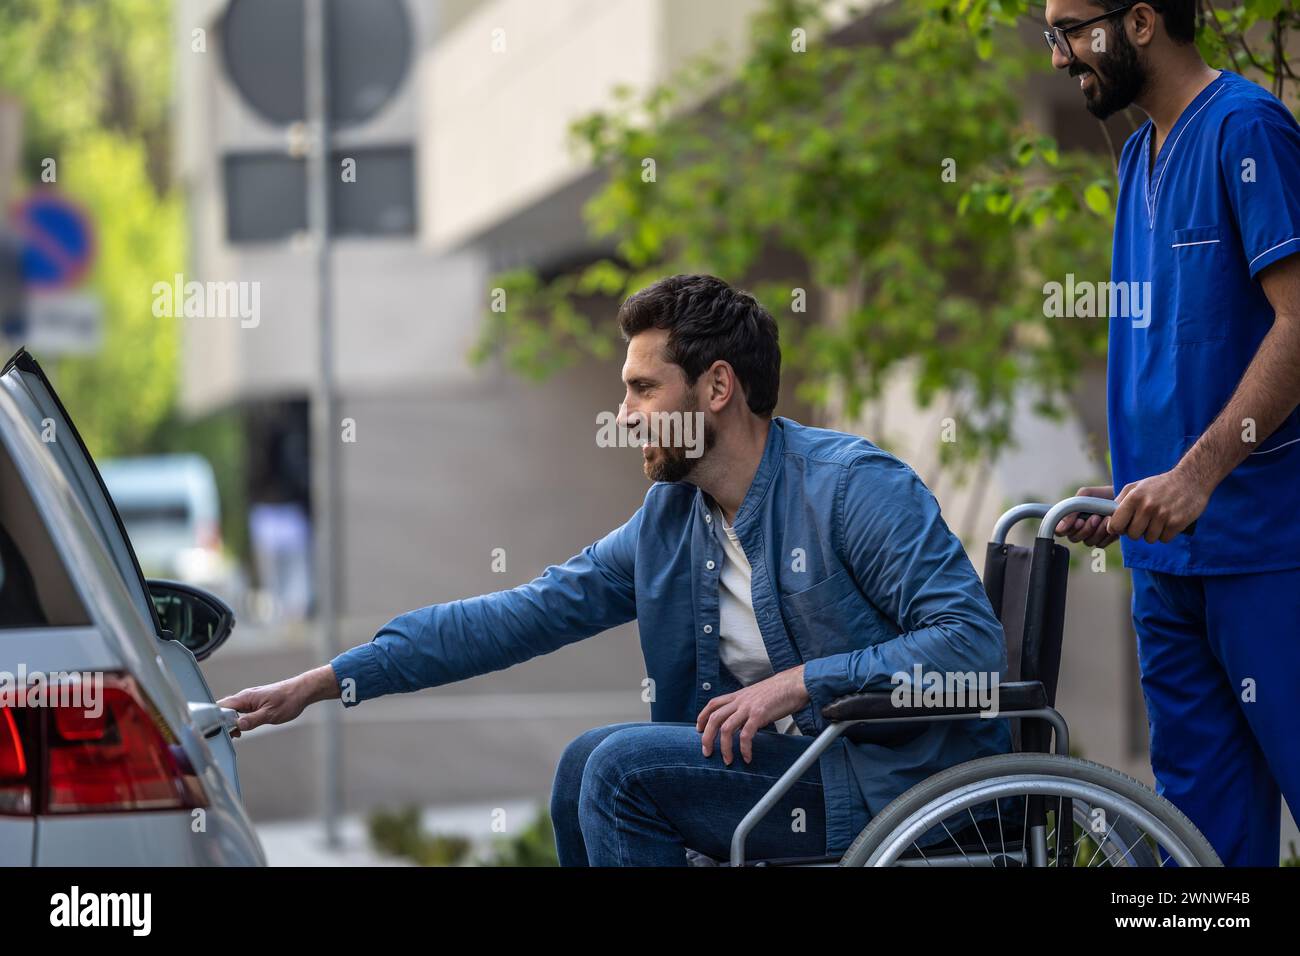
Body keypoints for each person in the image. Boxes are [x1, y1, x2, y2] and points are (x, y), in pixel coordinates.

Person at [218, 274, 1010, 865]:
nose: (624, 414)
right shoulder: (673, 522)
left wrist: (802, 683)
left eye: (641, 388)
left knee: (624, 771)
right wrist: (327, 680)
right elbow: (516, 617)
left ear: (717, 387)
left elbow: (971, 648)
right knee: (583, 766)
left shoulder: (850, 487)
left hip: (889, 787)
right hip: (783, 778)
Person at [1045, 0, 1300, 865]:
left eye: (1072, 30)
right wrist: (1129, 490)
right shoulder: (1135, 160)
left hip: (1268, 552)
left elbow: (1298, 321)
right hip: (1164, 562)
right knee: (1200, 850)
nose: (1059, 56)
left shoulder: (1247, 129)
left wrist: (1196, 476)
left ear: (1142, 20)